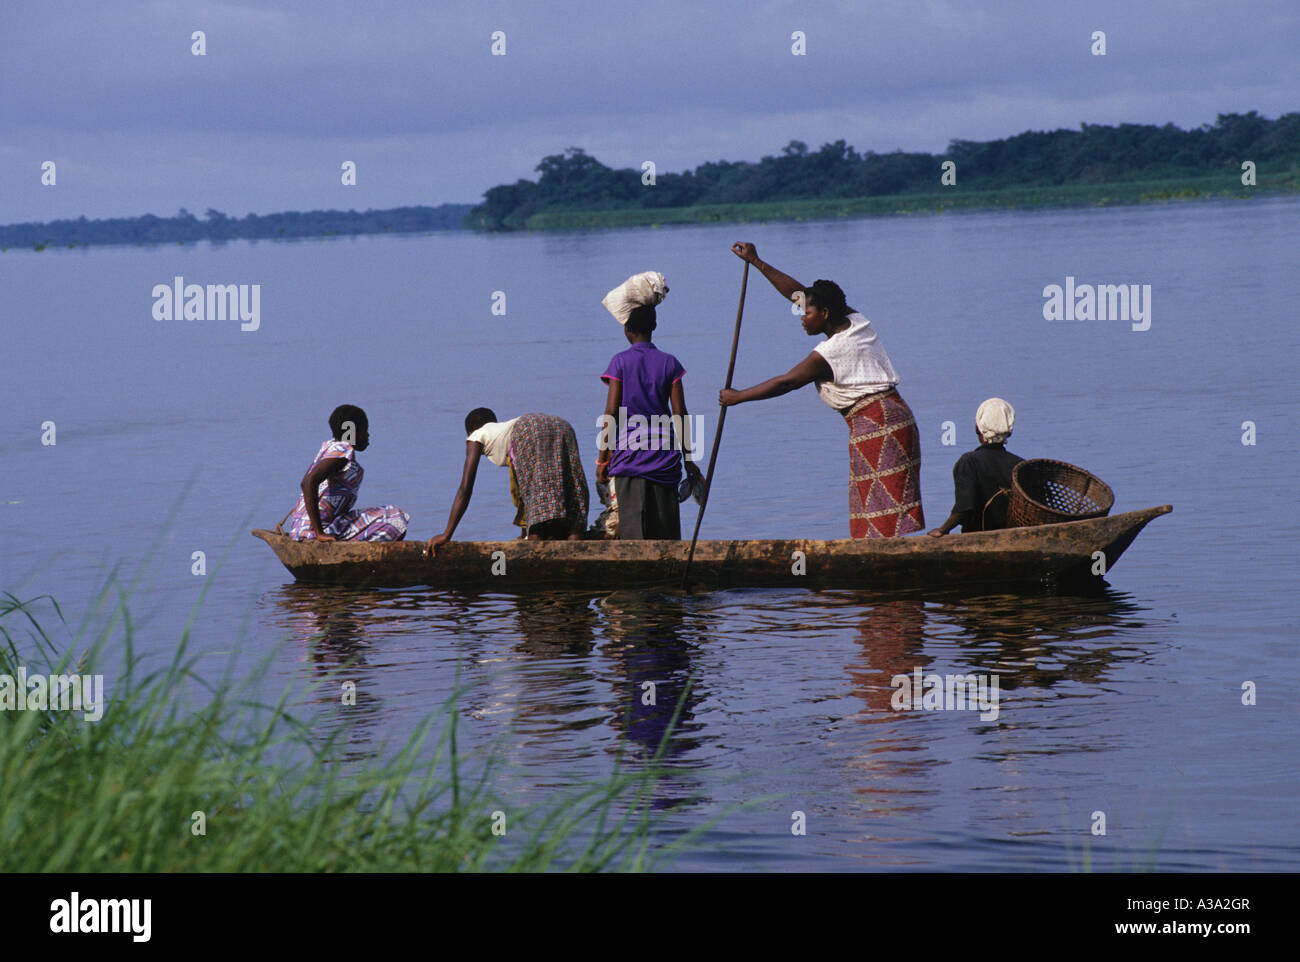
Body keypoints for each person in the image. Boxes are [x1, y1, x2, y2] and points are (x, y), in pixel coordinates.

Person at [719, 242, 924, 538]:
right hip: (896, 415)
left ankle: (885, 565)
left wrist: (737, 397)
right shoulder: (856, 321)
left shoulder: (832, 351)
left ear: (825, 313)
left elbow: (786, 382)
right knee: (879, 503)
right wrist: (757, 261)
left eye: (808, 312)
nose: (802, 315)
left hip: (877, 425)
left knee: (879, 508)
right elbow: (799, 293)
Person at [597, 276, 705, 539]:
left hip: (629, 459)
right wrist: (689, 460)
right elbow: (680, 414)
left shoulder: (620, 363)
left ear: (627, 330)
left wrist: (603, 458)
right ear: (654, 326)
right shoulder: (670, 364)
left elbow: (611, 412)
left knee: (633, 536)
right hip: (664, 461)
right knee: (666, 535)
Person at [427, 408, 589, 554]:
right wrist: (523, 534)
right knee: (571, 484)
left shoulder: (477, 436)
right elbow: (522, 488)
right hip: (563, 425)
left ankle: (534, 545)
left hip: (529, 427)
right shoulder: (504, 432)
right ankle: (574, 538)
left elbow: (465, 487)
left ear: (470, 432)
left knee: (538, 508)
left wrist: (447, 533)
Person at [284, 404, 410, 542]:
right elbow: (308, 482)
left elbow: (309, 481)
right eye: (364, 429)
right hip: (314, 531)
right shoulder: (342, 450)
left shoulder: (330, 447)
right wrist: (319, 533)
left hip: (301, 528)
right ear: (350, 431)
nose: (368, 435)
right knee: (395, 517)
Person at [928, 398, 1024, 536]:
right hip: (1013, 535)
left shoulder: (969, 462)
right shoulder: (1020, 465)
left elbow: (965, 509)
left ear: (977, 428)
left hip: (979, 535)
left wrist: (943, 529)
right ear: (1009, 432)